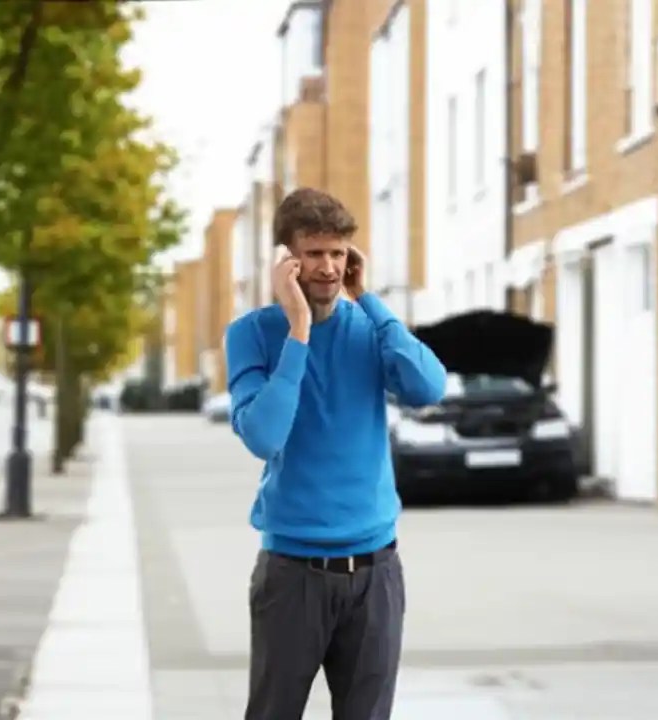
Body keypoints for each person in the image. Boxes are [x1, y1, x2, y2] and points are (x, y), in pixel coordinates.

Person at [223, 187, 447, 719]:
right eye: (314, 252)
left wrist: (367, 297)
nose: (327, 267)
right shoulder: (253, 334)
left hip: (376, 573)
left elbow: (428, 387)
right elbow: (263, 435)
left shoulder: (370, 329)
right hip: (292, 575)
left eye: (338, 253)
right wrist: (298, 330)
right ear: (286, 259)